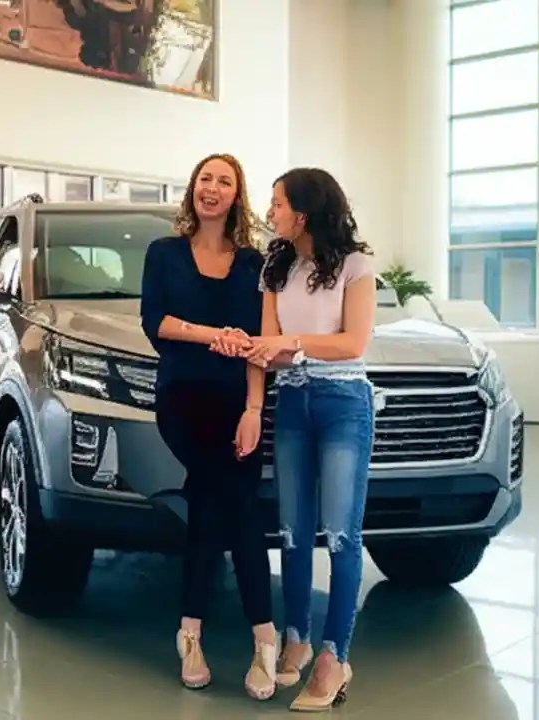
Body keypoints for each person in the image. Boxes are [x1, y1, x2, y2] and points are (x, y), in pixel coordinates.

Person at [219, 167, 376, 711]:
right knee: (291, 531)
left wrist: (290, 342)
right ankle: (297, 639)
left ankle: (334, 655)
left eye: (278, 203)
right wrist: (252, 389)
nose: (272, 212)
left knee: (340, 534)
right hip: (292, 404)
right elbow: (269, 348)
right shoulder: (276, 267)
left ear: (304, 212)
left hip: (342, 405)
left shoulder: (356, 265)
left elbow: (353, 344)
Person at [138, 153, 280, 701]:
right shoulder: (164, 254)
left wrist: (253, 410)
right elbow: (157, 322)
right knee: (234, 499)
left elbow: (257, 344)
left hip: (235, 405)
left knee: (214, 500)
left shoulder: (254, 264)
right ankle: (263, 638)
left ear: (236, 195)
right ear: (192, 190)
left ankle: (190, 633)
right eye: (205, 179)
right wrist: (212, 333)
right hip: (183, 401)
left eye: (224, 181)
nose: (212, 188)